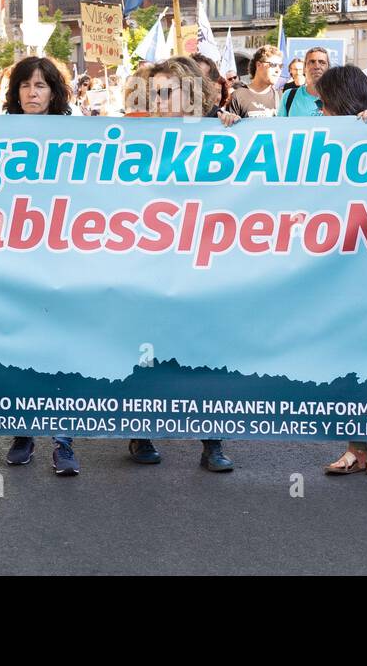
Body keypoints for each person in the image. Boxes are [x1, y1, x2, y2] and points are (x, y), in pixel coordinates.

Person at [126, 55, 235, 472]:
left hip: (200, 261)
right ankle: (141, 433)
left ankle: (212, 442)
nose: (157, 100)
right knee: (147, 350)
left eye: (166, 92)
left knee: (201, 353)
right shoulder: (131, 134)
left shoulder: (222, 131)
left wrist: (233, 131)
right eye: (153, 93)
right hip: (149, 260)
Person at [311, 65, 367, 477]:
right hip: (337, 268)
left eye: (322, 103)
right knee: (345, 357)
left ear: (339, 102)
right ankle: (355, 448)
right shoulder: (321, 139)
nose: (319, 111)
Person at [0, 56, 80, 475]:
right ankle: (23, 431)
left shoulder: (76, 135)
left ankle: (63, 441)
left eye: (41, 85)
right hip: (16, 261)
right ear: (15, 92)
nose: (33, 93)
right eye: (26, 85)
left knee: (61, 350)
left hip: (63, 258)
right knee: (23, 348)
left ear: (54, 91)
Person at [226, 43, 282, 118]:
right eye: (273, 65)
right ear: (258, 65)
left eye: (280, 66)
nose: (278, 70)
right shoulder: (238, 96)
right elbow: (229, 128)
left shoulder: (281, 97)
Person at [280, 46, 329, 117]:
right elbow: (280, 126)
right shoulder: (289, 96)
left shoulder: (339, 97)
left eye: (322, 62)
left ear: (328, 68)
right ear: (304, 68)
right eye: (312, 62)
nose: (317, 66)